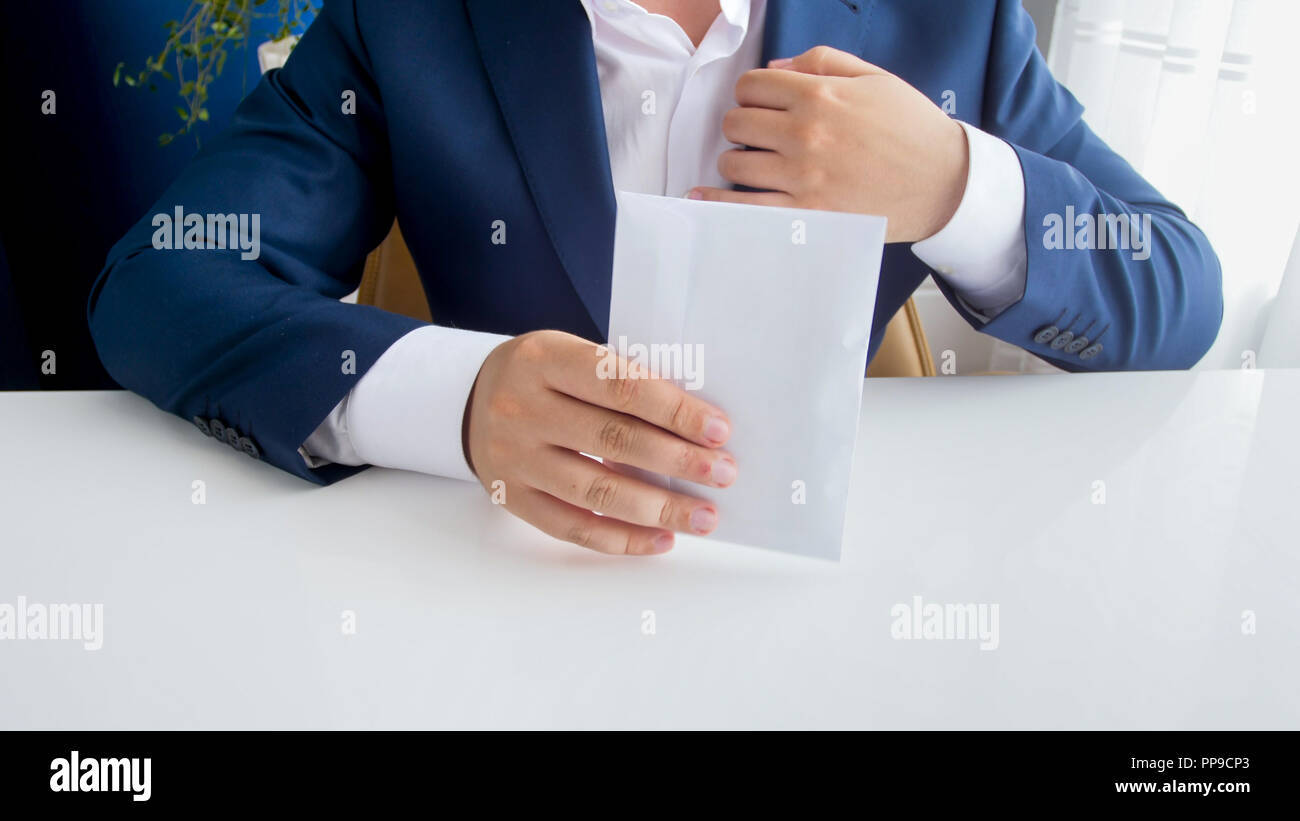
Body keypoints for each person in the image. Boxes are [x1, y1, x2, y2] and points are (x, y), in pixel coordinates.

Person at [88, 0, 1223, 556]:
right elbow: (158, 284)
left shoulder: (949, 18)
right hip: (495, 586)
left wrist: (953, 179)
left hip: (827, 599)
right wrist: (466, 401)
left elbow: (1177, 283)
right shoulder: (410, 14)